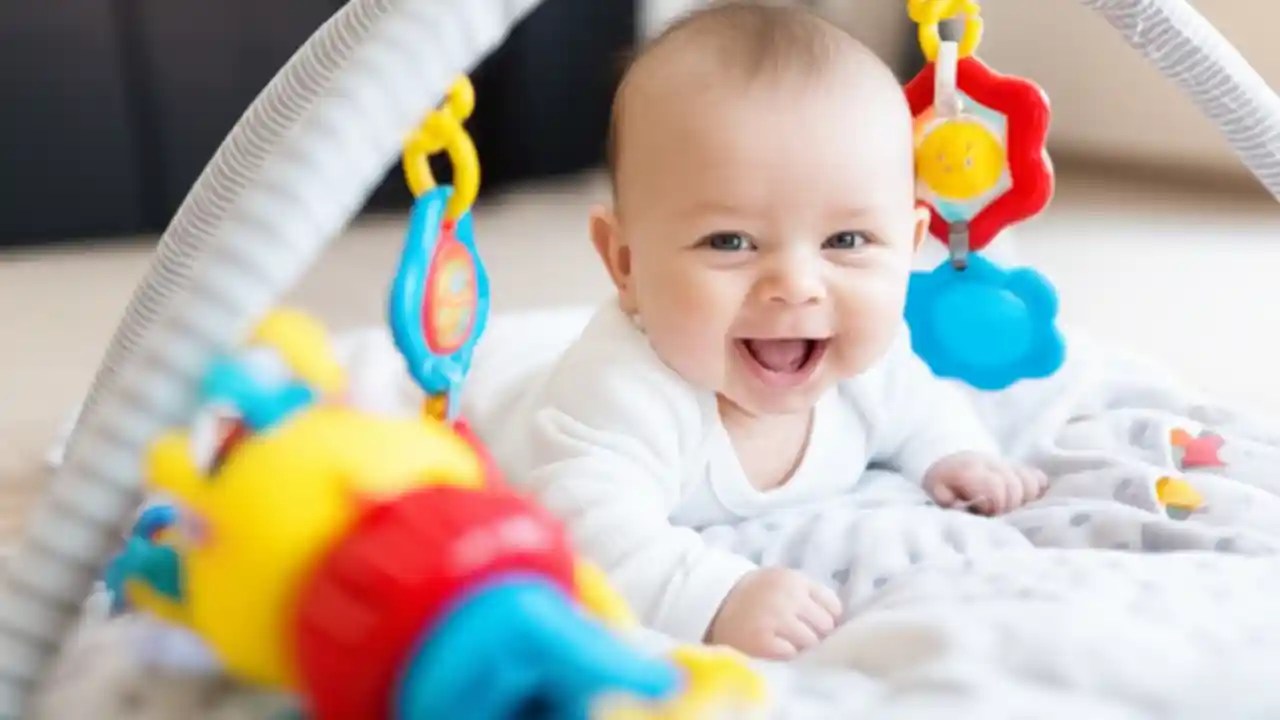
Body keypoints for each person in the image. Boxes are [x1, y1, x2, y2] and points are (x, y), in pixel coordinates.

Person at [505, 1, 1047, 660]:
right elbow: (581, 528)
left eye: (846, 239)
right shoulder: (620, 391)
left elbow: (918, 405)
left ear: (907, 248)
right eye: (730, 241)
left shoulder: (867, 360)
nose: (795, 284)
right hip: (502, 403)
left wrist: (956, 454)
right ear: (625, 262)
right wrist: (715, 596)